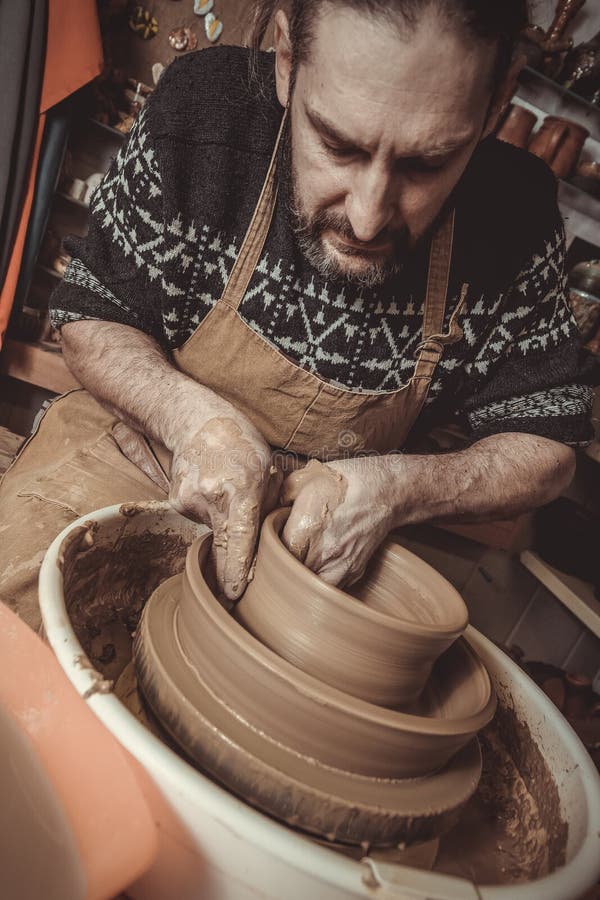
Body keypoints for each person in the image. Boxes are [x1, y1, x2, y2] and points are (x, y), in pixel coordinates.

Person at [0, 0, 593, 630]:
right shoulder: (207, 112)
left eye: (426, 163)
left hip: (324, 538)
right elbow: (91, 311)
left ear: (498, 101)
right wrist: (191, 420)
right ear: (287, 59)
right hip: (137, 456)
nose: (367, 216)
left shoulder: (517, 216)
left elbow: (547, 444)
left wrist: (399, 489)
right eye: (338, 144)